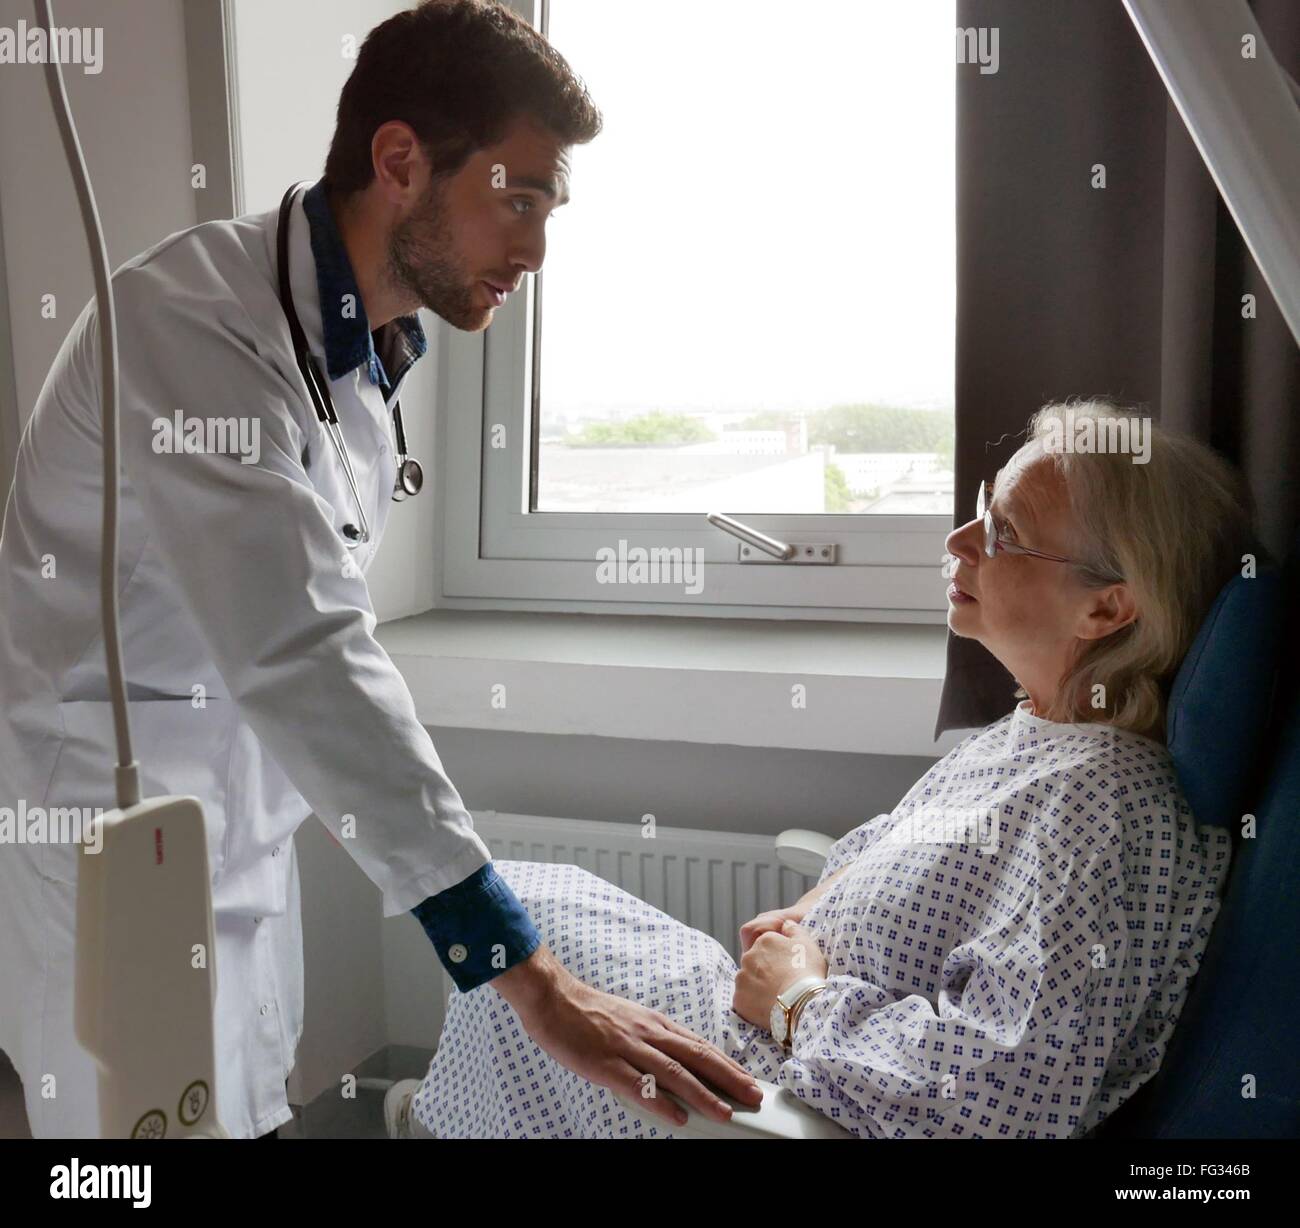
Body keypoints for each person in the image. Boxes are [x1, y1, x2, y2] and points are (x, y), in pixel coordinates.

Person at [0, 0, 760, 1139]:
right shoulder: (189, 326)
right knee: (117, 1148)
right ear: (399, 160)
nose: (538, 248)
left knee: (236, 1112)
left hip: (237, 827)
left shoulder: (368, 355)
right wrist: (525, 975)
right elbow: (306, 649)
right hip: (98, 827)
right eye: (518, 197)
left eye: (551, 208)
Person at [388, 400, 1253, 1138]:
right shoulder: (1035, 734)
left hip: (796, 1094)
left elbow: (1003, 1098)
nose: (960, 539)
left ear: (1106, 606)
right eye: (980, 510)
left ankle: (444, 1116)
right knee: (533, 910)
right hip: (776, 1037)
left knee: (522, 928)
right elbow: (910, 852)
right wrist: (814, 906)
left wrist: (800, 1001)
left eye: (1004, 533)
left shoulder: (1106, 806)